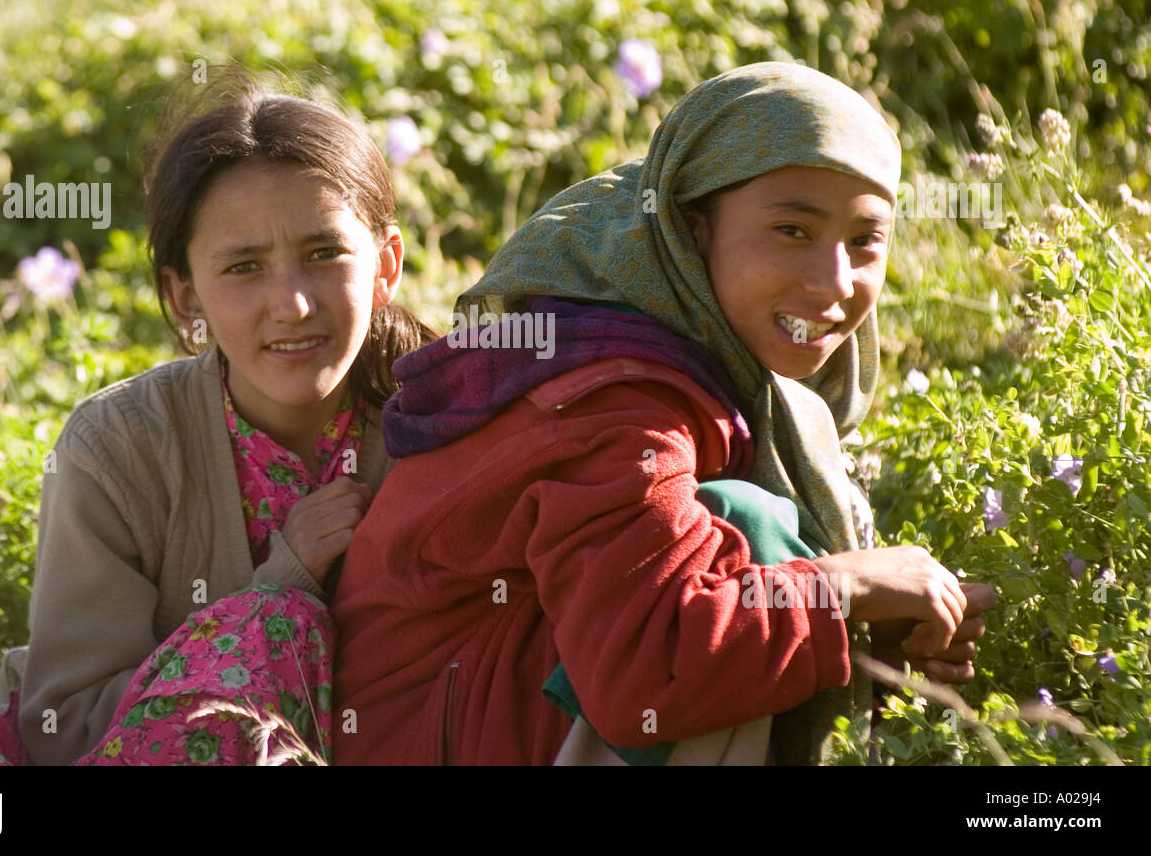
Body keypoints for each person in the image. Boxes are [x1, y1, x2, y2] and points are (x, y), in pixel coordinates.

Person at [330, 61, 996, 766]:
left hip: (492, 705)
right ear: (691, 228)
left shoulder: (687, 358)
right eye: (793, 230)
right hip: (428, 736)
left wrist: (871, 634)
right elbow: (649, 668)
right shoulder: (615, 393)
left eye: (865, 241)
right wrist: (849, 586)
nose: (833, 282)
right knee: (750, 527)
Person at [0, 71, 436, 766]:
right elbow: (61, 731)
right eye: (244, 267)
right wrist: (280, 589)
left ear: (385, 265)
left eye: (323, 254)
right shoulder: (120, 445)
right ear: (182, 295)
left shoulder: (445, 424)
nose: (293, 304)